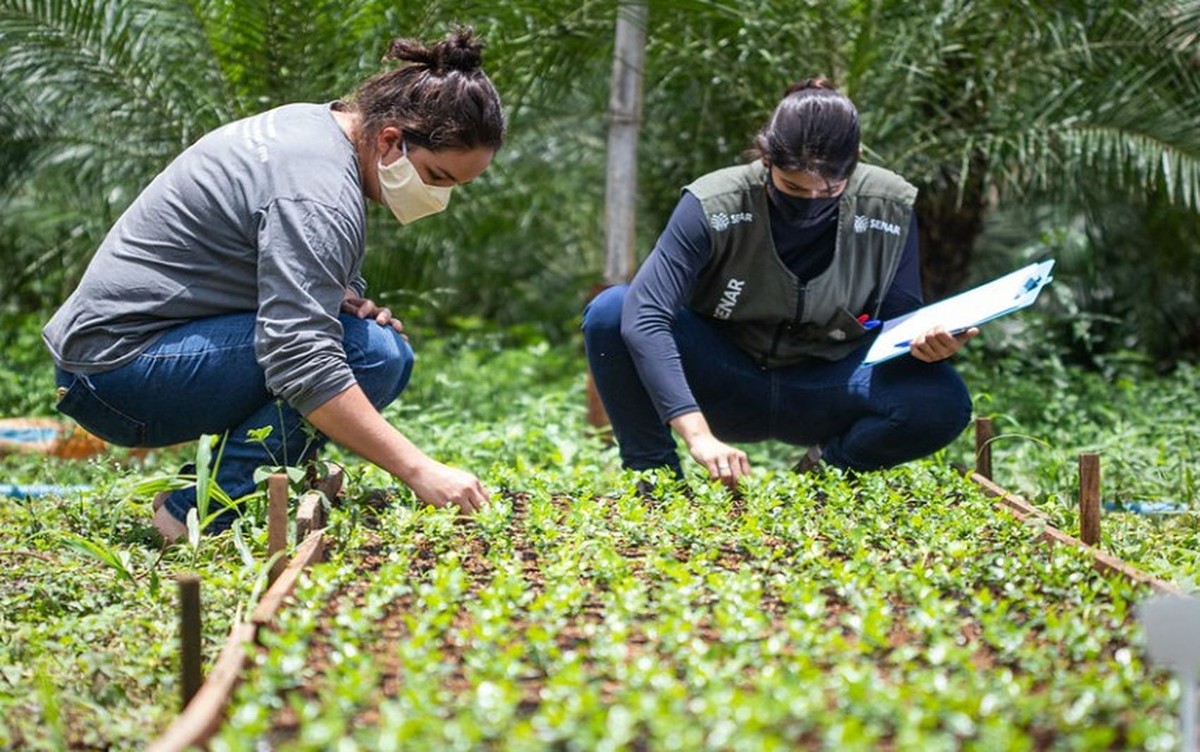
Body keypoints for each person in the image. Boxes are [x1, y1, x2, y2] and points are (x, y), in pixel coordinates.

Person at [42, 26, 504, 541]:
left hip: (118, 361)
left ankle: (216, 488)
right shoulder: (318, 192)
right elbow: (299, 355)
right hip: (119, 373)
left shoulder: (318, 130)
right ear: (391, 139)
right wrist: (421, 470)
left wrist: (339, 301)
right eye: (437, 177)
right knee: (371, 355)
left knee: (371, 345)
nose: (438, 198)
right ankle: (195, 513)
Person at [582, 78, 974, 488]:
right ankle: (656, 481)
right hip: (724, 379)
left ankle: (823, 477)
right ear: (766, 157)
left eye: (830, 190)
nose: (810, 200)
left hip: (827, 384)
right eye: (792, 187)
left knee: (940, 401)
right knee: (612, 312)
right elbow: (646, 315)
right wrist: (698, 438)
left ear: (855, 161)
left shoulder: (890, 207)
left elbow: (898, 320)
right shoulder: (714, 203)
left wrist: (930, 344)